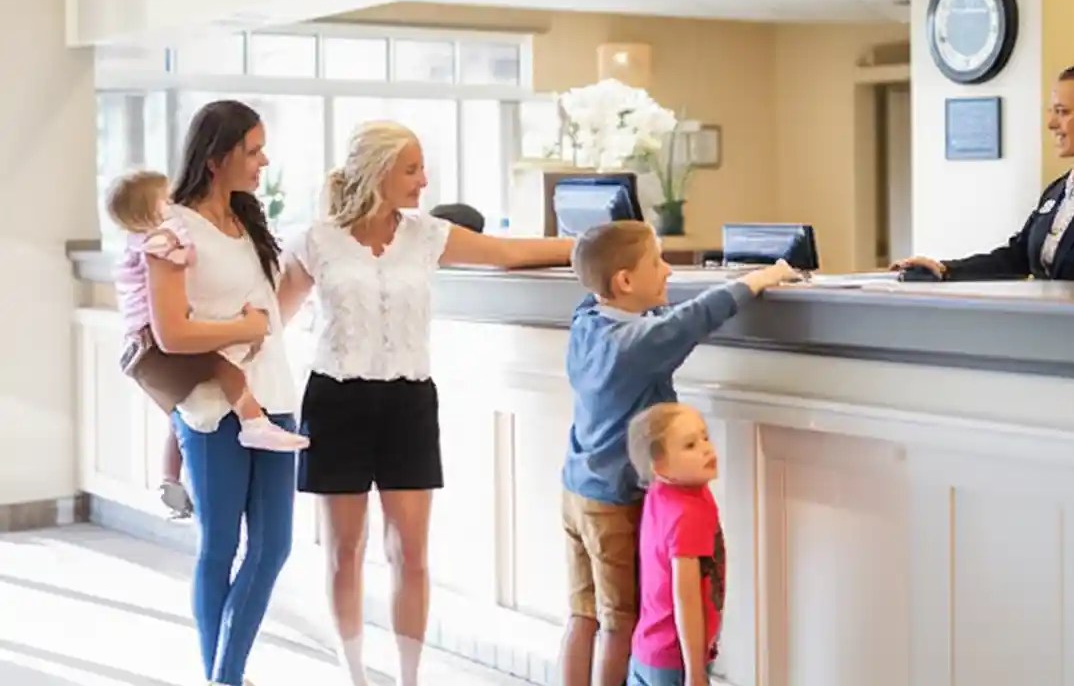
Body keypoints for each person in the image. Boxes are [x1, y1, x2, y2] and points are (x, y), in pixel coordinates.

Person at [275, 120, 574, 686]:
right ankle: (355, 672)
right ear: (378, 172)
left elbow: (508, 254)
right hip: (335, 401)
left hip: (409, 402)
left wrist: (590, 245)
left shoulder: (428, 234)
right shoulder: (314, 239)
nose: (423, 179)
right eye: (411, 169)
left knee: (410, 552)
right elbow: (274, 317)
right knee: (344, 549)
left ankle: (410, 677)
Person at [558, 220, 796, 686]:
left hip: (575, 489)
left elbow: (604, 291)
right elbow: (696, 317)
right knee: (619, 622)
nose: (668, 271)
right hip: (613, 501)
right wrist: (761, 278)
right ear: (625, 281)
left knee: (582, 614)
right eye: (657, 262)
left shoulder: (587, 320)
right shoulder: (638, 345)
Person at [147, 100, 303, 686]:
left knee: (274, 546)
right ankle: (228, 678)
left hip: (275, 398)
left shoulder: (249, 220)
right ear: (217, 158)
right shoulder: (173, 233)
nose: (264, 161)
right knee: (220, 547)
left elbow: (271, 310)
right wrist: (242, 328)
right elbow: (172, 332)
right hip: (212, 409)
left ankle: (222, 677)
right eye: (254, 150)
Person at [107, 169, 308, 505]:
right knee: (223, 368)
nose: (173, 204)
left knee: (179, 413)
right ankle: (253, 420)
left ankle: (170, 478)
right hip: (152, 339)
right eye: (166, 198)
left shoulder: (136, 240)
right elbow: (178, 260)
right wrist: (191, 248)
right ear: (149, 211)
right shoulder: (158, 239)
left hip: (140, 340)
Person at [893, 60, 1074, 282]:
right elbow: (1017, 257)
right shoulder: (1057, 191)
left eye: (1063, 112)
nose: (1051, 123)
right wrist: (944, 269)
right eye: (1052, 111)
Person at [626, 402, 724, 686]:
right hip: (674, 659)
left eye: (705, 437)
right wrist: (694, 672)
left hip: (649, 648)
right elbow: (687, 598)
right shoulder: (686, 515)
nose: (706, 448)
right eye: (690, 445)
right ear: (662, 467)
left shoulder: (664, 493)